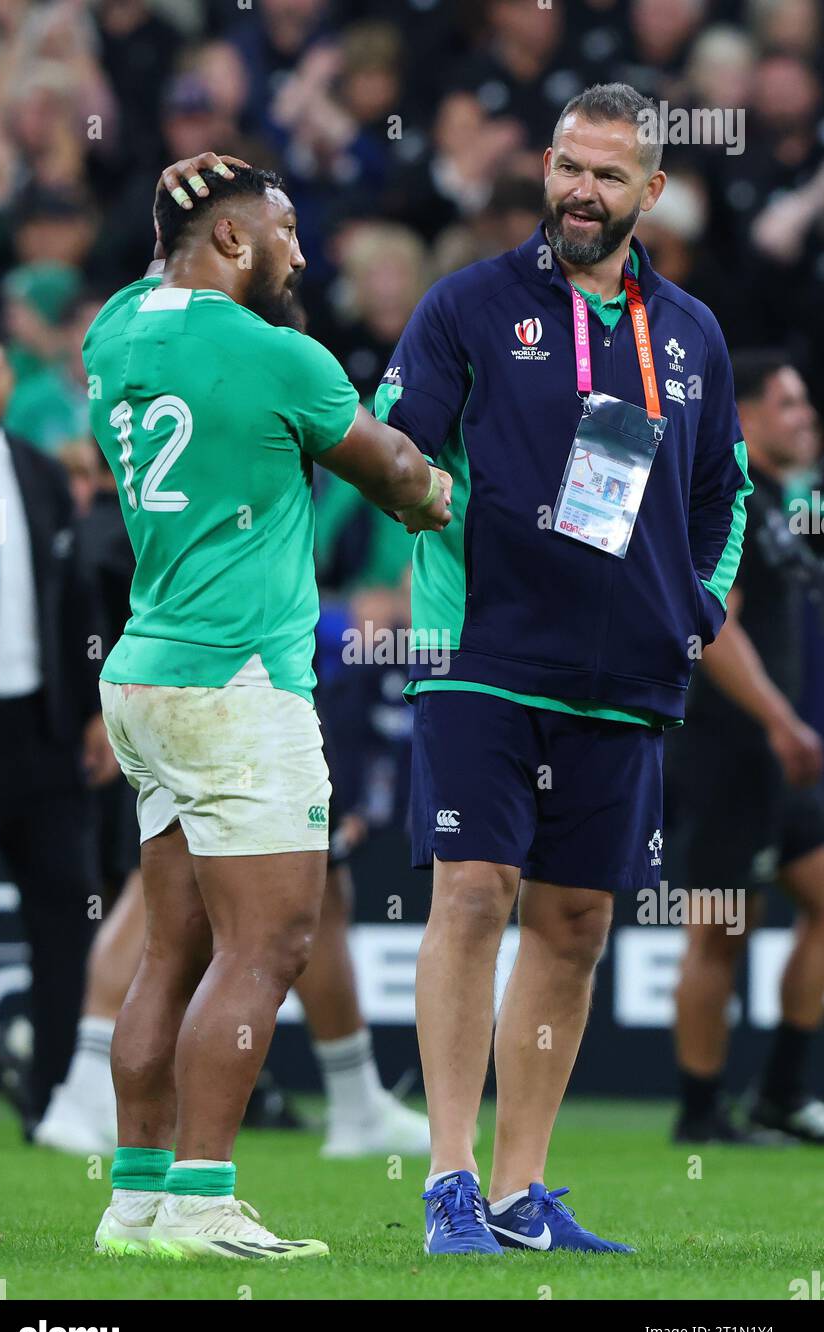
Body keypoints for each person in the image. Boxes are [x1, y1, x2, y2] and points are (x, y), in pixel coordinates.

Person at [374, 83, 751, 1255]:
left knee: (579, 922)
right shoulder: (470, 305)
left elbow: (721, 491)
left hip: (626, 674)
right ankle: (448, 1177)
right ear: (543, 167)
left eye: (607, 174)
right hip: (483, 653)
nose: (581, 192)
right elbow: (396, 440)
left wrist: (693, 604)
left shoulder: (689, 331)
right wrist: (430, 510)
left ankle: (520, 1192)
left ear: (652, 190)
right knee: (474, 890)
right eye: (566, 167)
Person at [85, 152, 451, 1261]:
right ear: (235, 241)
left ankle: (136, 1203)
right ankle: (201, 1199)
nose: (302, 251)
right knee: (273, 940)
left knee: (173, 950)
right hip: (237, 676)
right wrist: (440, 491)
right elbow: (387, 471)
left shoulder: (111, 327)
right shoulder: (275, 351)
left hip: (145, 672)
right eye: (285, 228)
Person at [670, 350, 824, 1146]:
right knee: (719, 932)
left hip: (776, 759)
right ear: (751, 417)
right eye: (790, 403)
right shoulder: (731, 500)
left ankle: (782, 1092)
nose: (805, 417)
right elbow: (713, 627)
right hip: (730, 750)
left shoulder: (778, 507)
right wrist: (780, 720)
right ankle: (699, 1111)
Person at [0, 319, 117, 1136]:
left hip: (44, 730)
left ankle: (58, 1099)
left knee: (69, 910)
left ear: (6, 381)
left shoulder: (38, 473)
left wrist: (93, 708)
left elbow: (76, 602)